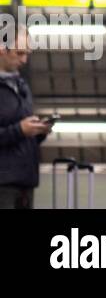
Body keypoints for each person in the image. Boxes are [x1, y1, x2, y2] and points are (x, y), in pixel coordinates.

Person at [0, 26, 51, 209]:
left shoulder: (21, 85)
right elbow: (15, 130)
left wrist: (38, 131)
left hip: (24, 183)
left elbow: (21, 132)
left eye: (27, 53)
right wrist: (19, 130)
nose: (24, 60)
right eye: (19, 53)